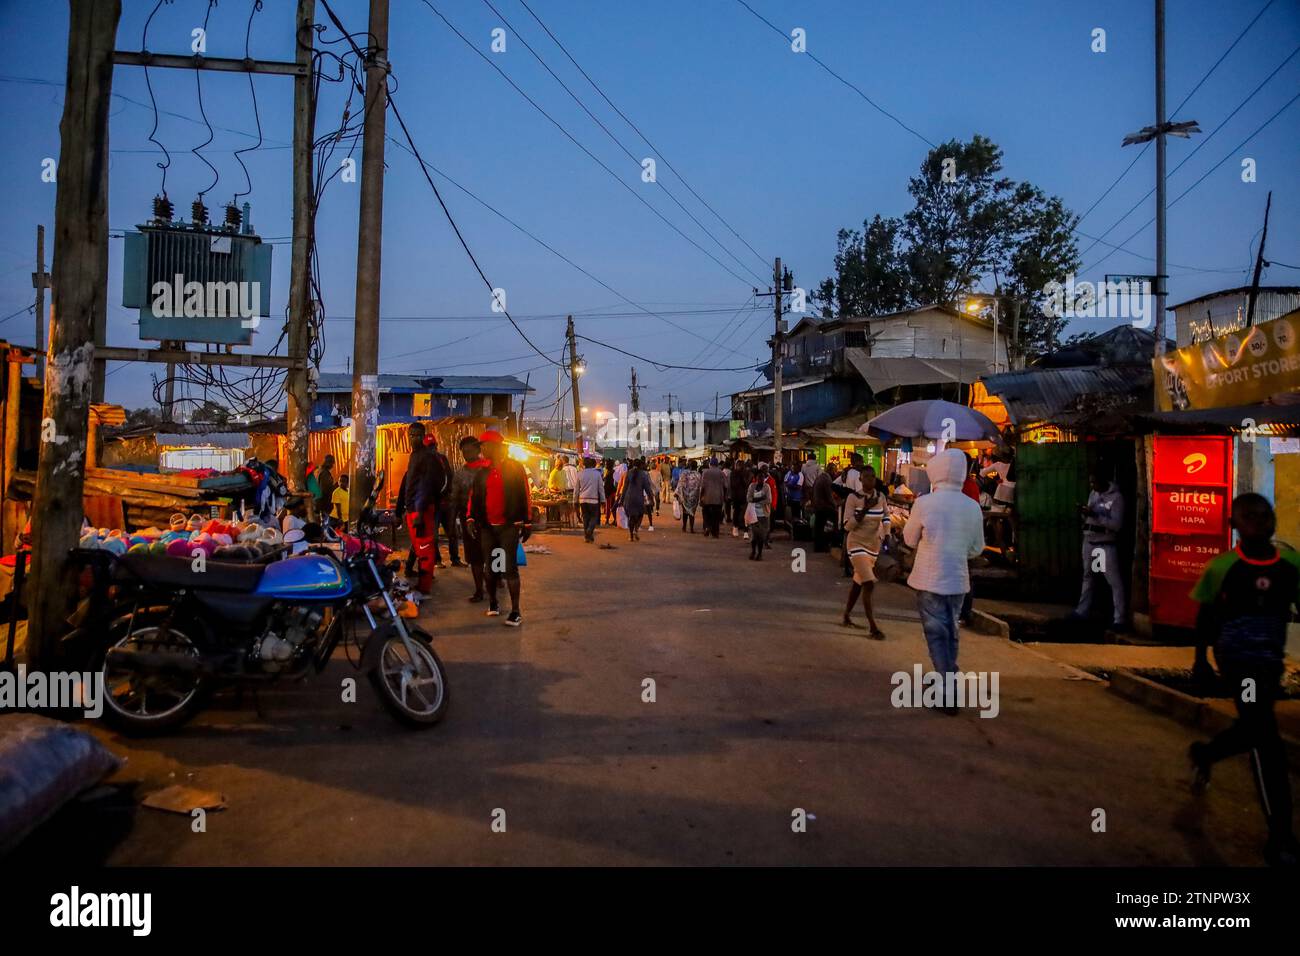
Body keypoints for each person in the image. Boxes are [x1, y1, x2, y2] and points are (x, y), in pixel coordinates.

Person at [1187, 494, 1299, 866]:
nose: (1257, 522)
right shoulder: (1223, 567)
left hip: (1270, 662)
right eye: (1247, 516)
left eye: (1263, 515)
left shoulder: (1291, 564)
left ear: (1273, 520)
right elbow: (1205, 618)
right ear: (1234, 525)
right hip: (1237, 662)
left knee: (1255, 729)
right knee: (1266, 741)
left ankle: (1207, 753)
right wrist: (1201, 660)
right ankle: (1280, 837)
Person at [902, 448, 986, 713]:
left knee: (937, 635)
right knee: (951, 631)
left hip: (930, 579)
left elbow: (909, 539)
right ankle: (945, 678)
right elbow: (977, 548)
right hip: (958, 579)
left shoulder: (925, 503)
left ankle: (947, 692)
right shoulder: (972, 506)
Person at [464, 430, 531, 626]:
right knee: (491, 568)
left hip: (508, 526)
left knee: (510, 569)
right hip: (487, 527)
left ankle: (516, 611)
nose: (481, 450)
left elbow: (525, 494)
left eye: (484, 446)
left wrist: (527, 522)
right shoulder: (482, 472)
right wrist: (470, 518)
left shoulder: (514, 468)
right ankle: (493, 603)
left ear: (496, 447)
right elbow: (473, 496)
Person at [1070, 469, 1127, 631]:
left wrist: (1095, 515)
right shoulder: (1093, 494)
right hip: (1089, 541)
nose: (1092, 485)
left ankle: (1119, 619)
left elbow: (1116, 525)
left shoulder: (1116, 499)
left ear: (1103, 482)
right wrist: (1085, 513)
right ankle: (1082, 612)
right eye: (1091, 482)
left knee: (1113, 582)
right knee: (1088, 578)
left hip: (1104, 544)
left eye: (1094, 482)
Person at [401, 421, 448, 597]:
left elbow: (427, 485)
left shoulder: (427, 457)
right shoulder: (414, 456)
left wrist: (420, 511)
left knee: (425, 549)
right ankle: (422, 583)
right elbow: (409, 484)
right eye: (412, 435)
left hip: (422, 511)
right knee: (419, 548)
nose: (414, 438)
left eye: (418, 435)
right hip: (413, 509)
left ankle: (424, 586)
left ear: (423, 436)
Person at [842, 466, 889, 638]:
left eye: (873, 476)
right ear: (860, 479)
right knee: (869, 583)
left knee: (858, 583)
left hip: (873, 546)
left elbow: (886, 517)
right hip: (856, 545)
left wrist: (888, 534)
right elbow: (847, 525)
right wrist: (864, 510)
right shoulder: (853, 498)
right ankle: (873, 626)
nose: (870, 480)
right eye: (867, 477)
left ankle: (846, 615)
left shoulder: (881, 497)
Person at [452, 435, 489, 602]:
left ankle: (498, 580)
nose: (467, 454)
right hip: (469, 520)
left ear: (478, 450)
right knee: (474, 557)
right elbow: (454, 497)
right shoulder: (460, 473)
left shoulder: (490, 469)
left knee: (495, 553)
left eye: (470, 450)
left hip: (490, 518)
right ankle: (479, 590)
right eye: (464, 452)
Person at [619, 458, 654, 541]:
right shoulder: (643, 474)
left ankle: (631, 536)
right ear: (641, 465)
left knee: (631, 517)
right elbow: (647, 488)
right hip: (639, 499)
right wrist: (651, 498)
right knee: (640, 514)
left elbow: (625, 488)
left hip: (628, 499)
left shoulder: (628, 473)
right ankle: (636, 530)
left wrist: (622, 499)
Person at [574, 455, 606, 543]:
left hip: (583, 500)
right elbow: (601, 488)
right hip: (594, 499)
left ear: (584, 465)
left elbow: (576, 489)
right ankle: (589, 530)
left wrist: (575, 500)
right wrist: (603, 500)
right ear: (593, 465)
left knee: (585, 518)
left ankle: (587, 537)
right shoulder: (597, 474)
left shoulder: (580, 473)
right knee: (594, 517)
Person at [811, 461, 838, 553]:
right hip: (823, 507)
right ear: (831, 470)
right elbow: (829, 496)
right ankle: (828, 544)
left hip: (817, 505)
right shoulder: (827, 479)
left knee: (818, 527)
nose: (835, 473)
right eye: (834, 471)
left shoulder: (820, 477)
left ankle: (818, 547)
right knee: (829, 525)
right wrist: (835, 506)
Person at [746, 468, 772, 559]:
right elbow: (748, 498)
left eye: (762, 477)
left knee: (761, 536)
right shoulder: (752, 486)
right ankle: (753, 551)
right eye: (759, 477)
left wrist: (755, 500)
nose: (761, 479)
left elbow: (769, 500)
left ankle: (759, 553)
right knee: (753, 536)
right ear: (756, 477)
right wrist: (761, 498)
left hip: (764, 515)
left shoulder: (767, 487)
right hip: (753, 514)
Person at [699, 457, 727, 538]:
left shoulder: (705, 472)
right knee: (716, 516)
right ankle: (715, 532)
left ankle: (707, 527)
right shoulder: (721, 473)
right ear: (717, 464)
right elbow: (725, 486)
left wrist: (701, 497)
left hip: (707, 497)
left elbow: (702, 487)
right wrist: (724, 496)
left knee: (706, 514)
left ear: (710, 464)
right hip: (718, 498)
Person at [676, 460, 702, 533]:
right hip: (694, 497)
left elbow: (680, 484)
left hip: (685, 497)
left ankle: (684, 526)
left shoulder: (684, 473)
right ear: (696, 467)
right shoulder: (698, 475)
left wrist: (678, 494)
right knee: (692, 513)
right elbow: (700, 486)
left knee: (685, 512)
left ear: (689, 466)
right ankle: (691, 528)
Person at [729, 458, 751, 538]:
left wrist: (742, 477)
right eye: (738, 465)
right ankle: (735, 528)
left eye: (741, 466)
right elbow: (733, 485)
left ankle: (745, 531)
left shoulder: (745, 473)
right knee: (736, 512)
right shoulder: (733, 473)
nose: (740, 467)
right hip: (736, 496)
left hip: (744, 496)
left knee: (745, 514)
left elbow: (746, 484)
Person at [316, 454, 337, 519]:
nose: (332, 466)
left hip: (320, 503)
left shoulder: (321, 471)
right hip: (323, 504)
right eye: (332, 463)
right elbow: (325, 489)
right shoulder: (324, 473)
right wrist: (335, 487)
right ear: (328, 463)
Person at [603, 460, 617, 526]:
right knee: (613, 506)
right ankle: (615, 520)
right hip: (613, 491)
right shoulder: (613, 472)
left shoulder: (608, 473)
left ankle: (607, 520)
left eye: (606, 464)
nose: (605, 465)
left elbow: (607, 484)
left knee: (608, 507)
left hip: (608, 492)